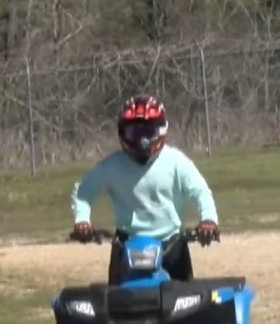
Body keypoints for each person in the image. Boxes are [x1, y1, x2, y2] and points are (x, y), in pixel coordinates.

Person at [70, 94, 220, 286]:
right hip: (125, 245)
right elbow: (83, 191)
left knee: (185, 309)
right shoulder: (111, 167)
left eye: (148, 132)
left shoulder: (176, 162)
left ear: (161, 130)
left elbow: (200, 191)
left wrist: (208, 220)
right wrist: (82, 220)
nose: (141, 140)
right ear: (122, 132)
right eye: (134, 132)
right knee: (118, 309)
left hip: (172, 246)